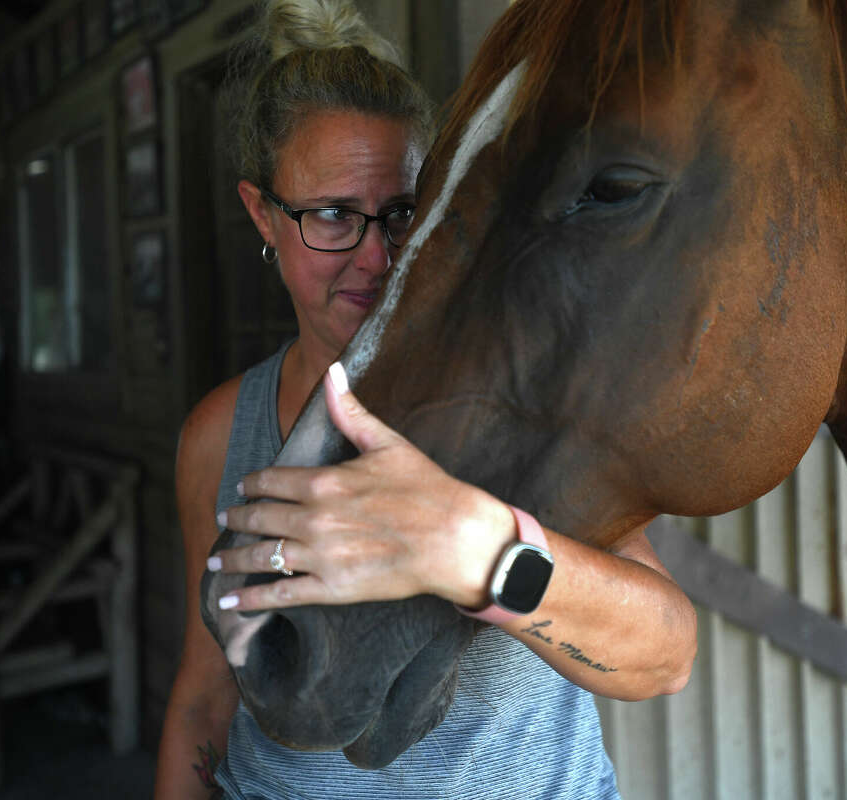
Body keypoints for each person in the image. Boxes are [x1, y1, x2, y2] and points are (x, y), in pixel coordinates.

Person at [154, 1, 698, 797]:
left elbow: (665, 652)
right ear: (262, 214)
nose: (376, 256)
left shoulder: (526, 401)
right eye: (333, 215)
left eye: (403, 213)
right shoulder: (219, 434)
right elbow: (204, 698)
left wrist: (477, 550)